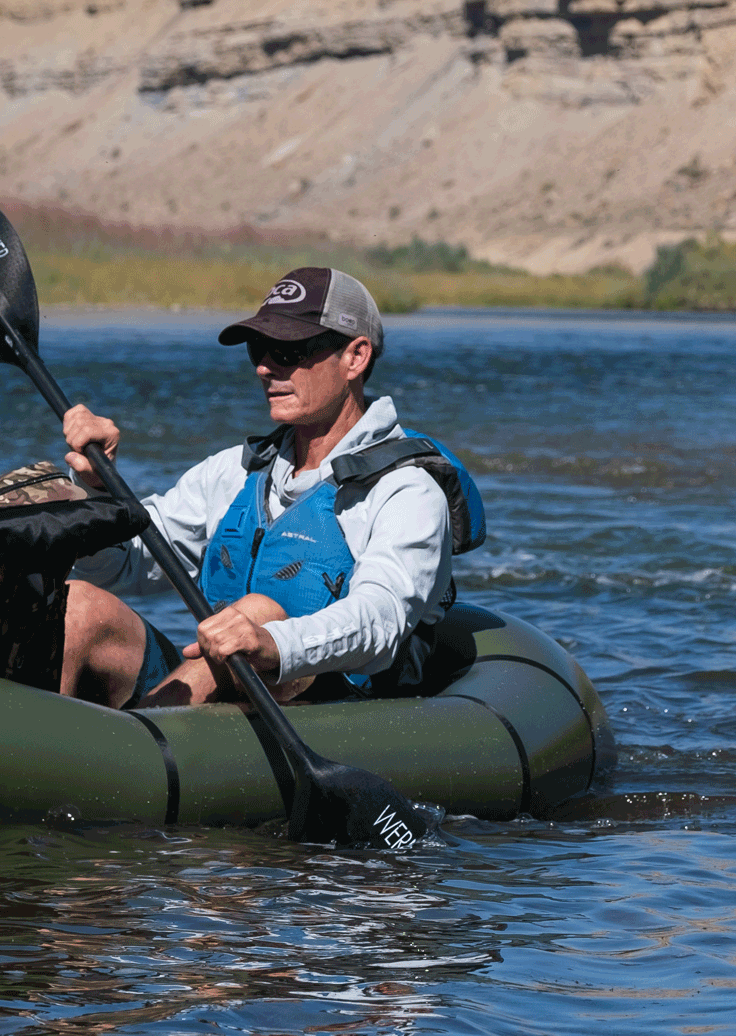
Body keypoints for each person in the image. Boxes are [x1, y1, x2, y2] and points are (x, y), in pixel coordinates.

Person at [55, 267, 478, 709]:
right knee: (79, 605)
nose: (264, 367)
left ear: (355, 357)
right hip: (224, 694)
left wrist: (271, 643)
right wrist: (97, 490)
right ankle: (37, 761)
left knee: (258, 610)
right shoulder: (233, 472)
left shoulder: (406, 491)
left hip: (339, 709)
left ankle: (131, 754)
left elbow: (381, 618)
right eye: (259, 349)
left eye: (289, 351)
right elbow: (119, 568)